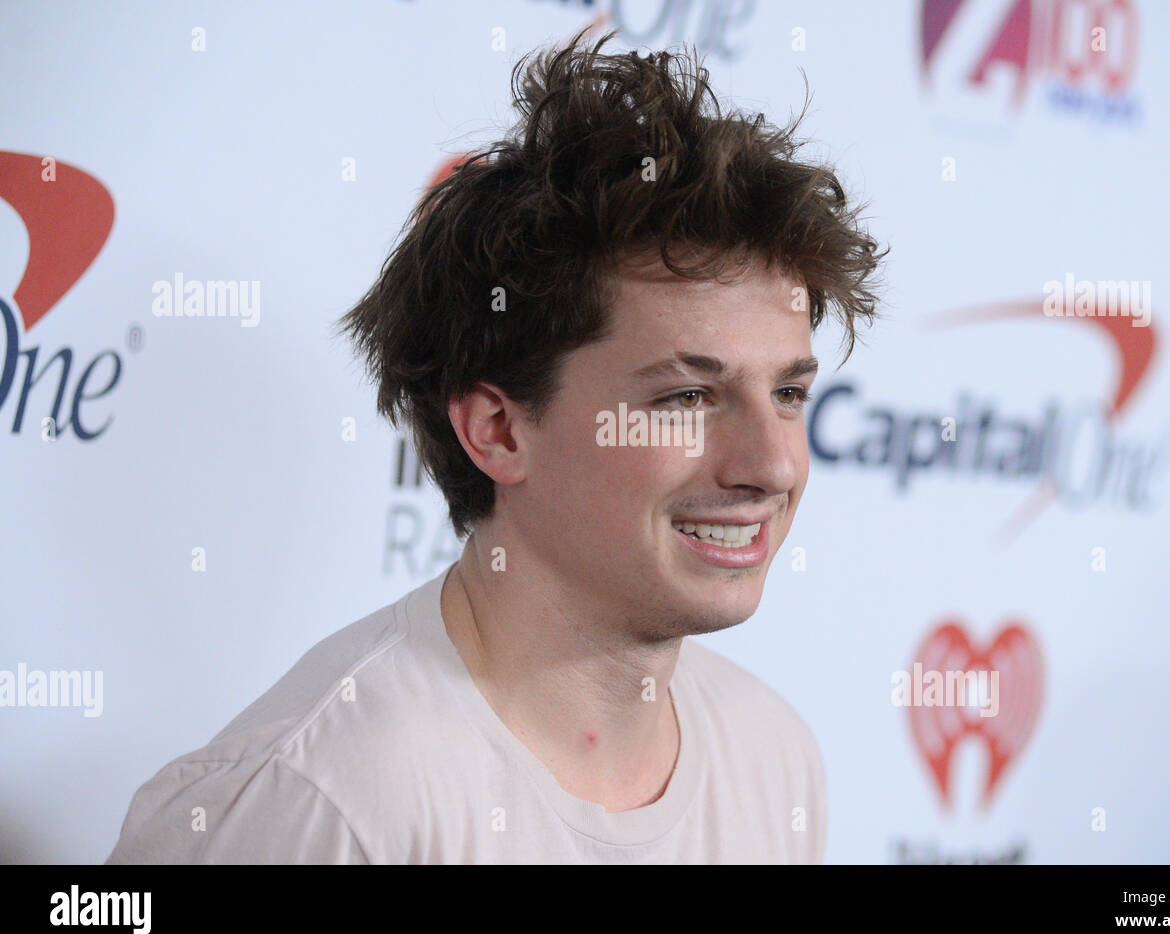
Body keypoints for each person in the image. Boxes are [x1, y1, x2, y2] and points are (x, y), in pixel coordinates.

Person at [106, 30, 883, 864]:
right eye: (688, 396)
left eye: (789, 394)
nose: (772, 465)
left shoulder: (774, 761)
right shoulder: (318, 802)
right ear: (498, 431)